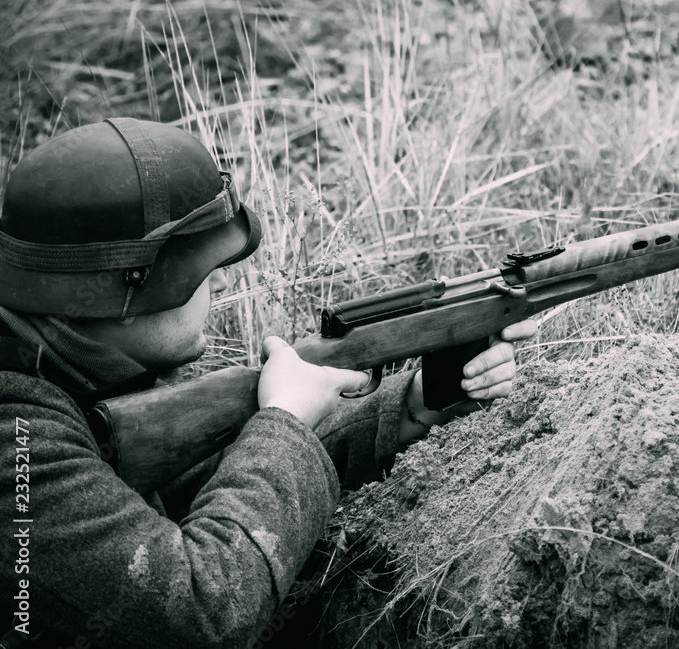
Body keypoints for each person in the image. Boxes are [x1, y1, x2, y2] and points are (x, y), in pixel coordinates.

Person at [0, 118, 536, 648]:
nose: (224, 277)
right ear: (127, 290)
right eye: (202, 266)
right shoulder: (19, 446)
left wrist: (414, 404)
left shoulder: (73, 373)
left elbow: (182, 487)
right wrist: (283, 422)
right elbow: (205, 612)